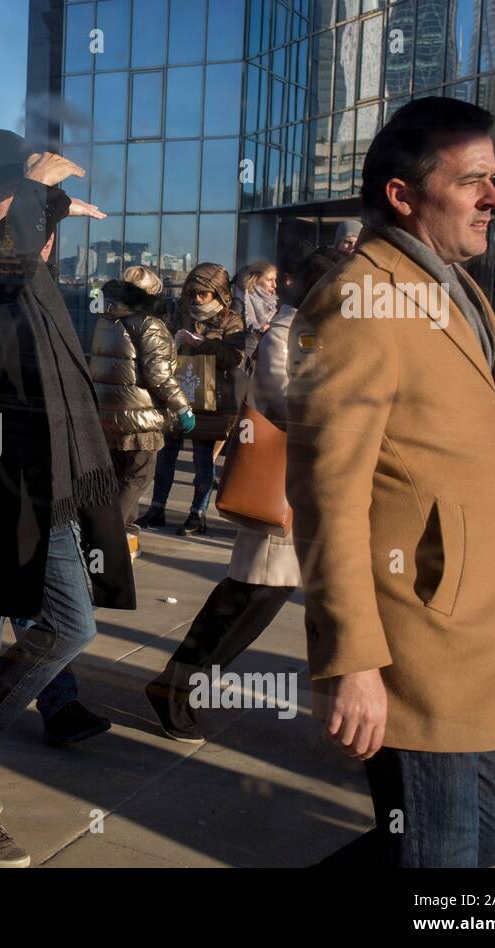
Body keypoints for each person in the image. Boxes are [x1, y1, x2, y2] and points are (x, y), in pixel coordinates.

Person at [286, 97, 495, 867]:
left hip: (480, 640)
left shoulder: (457, 287)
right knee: (442, 861)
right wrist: (351, 662)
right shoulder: (356, 300)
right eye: (473, 180)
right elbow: (325, 499)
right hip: (417, 645)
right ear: (402, 197)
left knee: (482, 846)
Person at [0, 129, 135, 867]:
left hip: (54, 493)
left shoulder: (29, 271)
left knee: (71, 629)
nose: (44, 236)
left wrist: (53, 206)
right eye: (29, 208)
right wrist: (38, 194)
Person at [145, 246, 345, 744]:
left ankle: (179, 684)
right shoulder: (289, 329)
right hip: (282, 481)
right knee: (249, 595)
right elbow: (283, 401)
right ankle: (177, 685)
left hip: (304, 488)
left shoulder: (320, 330)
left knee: (254, 595)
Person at [89, 264, 195, 559]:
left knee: (118, 477)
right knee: (138, 476)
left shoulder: (106, 319)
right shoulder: (148, 324)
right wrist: (183, 408)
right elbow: (159, 375)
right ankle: (106, 540)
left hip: (108, 411)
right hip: (140, 416)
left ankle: (123, 542)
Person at [138, 263, 245, 535]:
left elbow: (235, 358)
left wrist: (202, 344)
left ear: (219, 294)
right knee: (166, 455)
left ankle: (197, 514)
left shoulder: (231, 320)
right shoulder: (180, 312)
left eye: (203, 294)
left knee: (202, 459)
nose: (196, 298)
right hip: (178, 393)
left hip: (212, 397)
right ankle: (157, 508)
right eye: (193, 292)